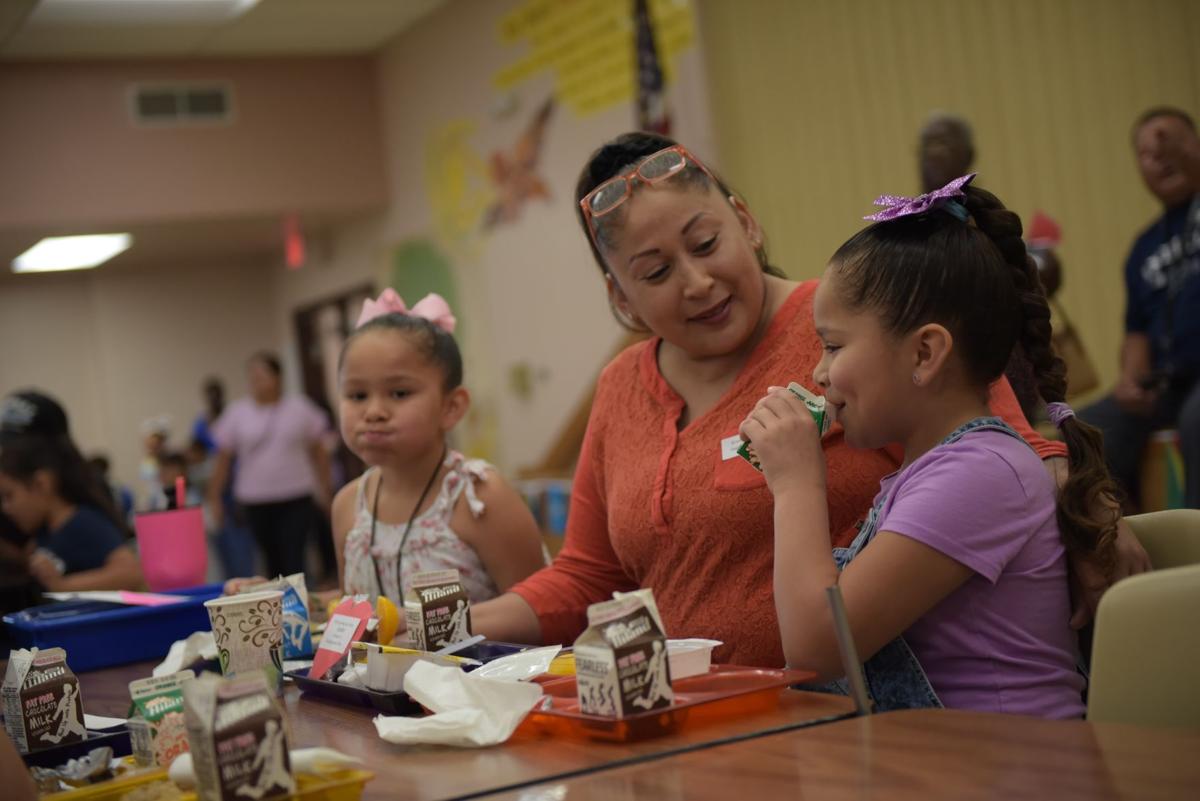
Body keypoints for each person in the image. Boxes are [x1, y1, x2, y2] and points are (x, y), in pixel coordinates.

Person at [467, 132, 1149, 667]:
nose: (698, 281)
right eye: (656, 272)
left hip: (856, 710)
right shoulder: (620, 385)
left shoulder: (860, 322)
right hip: (697, 724)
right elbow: (588, 573)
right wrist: (448, 622)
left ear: (745, 221)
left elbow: (997, 442)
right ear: (622, 298)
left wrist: (1089, 513)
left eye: (706, 243)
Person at [742, 175, 1119, 717]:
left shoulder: (979, 475)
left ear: (924, 354)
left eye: (833, 345)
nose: (819, 373)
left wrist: (796, 482)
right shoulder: (933, 470)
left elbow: (819, 647)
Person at [331, 290, 546, 608]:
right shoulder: (349, 505)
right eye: (357, 395)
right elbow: (355, 605)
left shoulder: (478, 499)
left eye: (399, 392)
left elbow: (541, 610)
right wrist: (287, 600)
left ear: (451, 407)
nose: (374, 411)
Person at [1081, 107, 1200, 508]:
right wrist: (1132, 379)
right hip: (1168, 383)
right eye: (1148, 153)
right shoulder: (1143, 247)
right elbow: (1136, 330)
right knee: (1086, 431)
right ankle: (1121, 543)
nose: (1162, 155)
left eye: (1172, 141)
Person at [0, 393, 142, 593]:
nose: (6, 508)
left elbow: (130, 573)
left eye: (9, 496)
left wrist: (63, 586)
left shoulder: (81, 520)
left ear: (42, 482)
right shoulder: (44, 530)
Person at [207, 353, 333, 578]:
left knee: (295, 556)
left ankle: (299, 607)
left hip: (296, 494)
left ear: (278, 377)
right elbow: (223, 459)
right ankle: (277, 608)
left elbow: (319, 452)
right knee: (270, 560)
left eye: (262, 374)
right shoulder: (237, 413)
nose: (256, 380)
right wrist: (214, 497)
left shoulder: (300, 408)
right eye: (251, 375)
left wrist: (325, 488)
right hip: (255, 499)